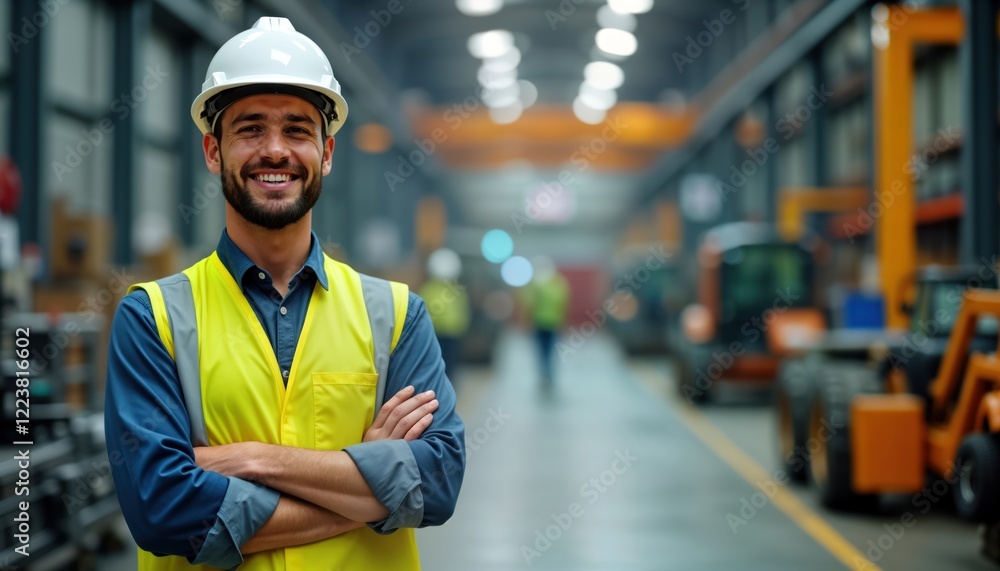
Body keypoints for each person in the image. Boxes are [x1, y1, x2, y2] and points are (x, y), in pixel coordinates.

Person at [104, 17, 465, 570]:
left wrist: (252, 460)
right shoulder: (153, 317)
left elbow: (436, 484)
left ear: (326, 153)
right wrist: (367, 486)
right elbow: (163, 510)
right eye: (250, 129)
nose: (275, 150)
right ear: (212, 151)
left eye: (297, 130)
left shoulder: (395, 315)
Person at [418, 248, 470, 389]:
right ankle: (442, 386)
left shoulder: (429, 288)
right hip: (439, 333)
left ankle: (447, 386)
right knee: (442, 363)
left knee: (448, 363)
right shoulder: (438, 289)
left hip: (449, 333)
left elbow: (461, 311)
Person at [523, 257, 570, 385]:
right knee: (549, 350)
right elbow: (563, 302)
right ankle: (548, 374)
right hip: (551, 323)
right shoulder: (558, 283)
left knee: (542, 350)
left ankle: (544, 374)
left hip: (541, 323)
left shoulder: (536, 285)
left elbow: (529, 303)